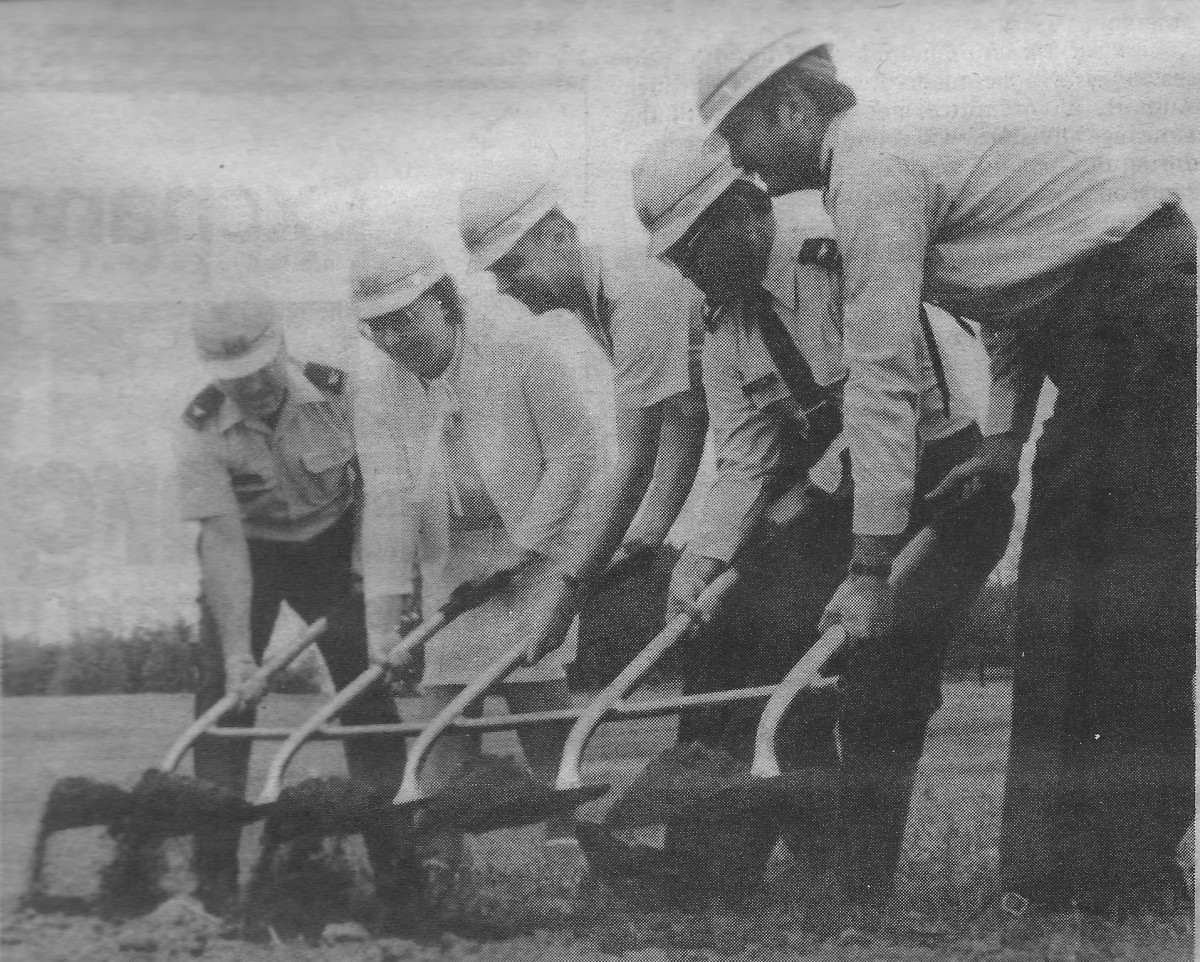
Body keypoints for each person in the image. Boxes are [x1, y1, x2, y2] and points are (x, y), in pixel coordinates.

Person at [695, 28, 1195, 919]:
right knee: (1066, 598)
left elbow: (883, 378)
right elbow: (1015, 291)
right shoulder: (886, 159)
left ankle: (1124, 880)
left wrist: (867, 567)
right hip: (1110, 317)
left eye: (741, 137)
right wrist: (1004, 442)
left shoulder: (872, 174)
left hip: (1148, 310)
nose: (739, 161)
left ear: (794, 107)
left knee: (1121, 600)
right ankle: (1075, 879)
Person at [620, 135, 1013, 921]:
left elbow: (900, 406)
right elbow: (744, 457)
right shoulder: (724, 324)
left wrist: (826, 527)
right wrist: (703, 556)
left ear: (743, 211)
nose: (687, 270)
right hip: (839, 500)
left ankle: (863, 891)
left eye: (693, 245)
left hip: (945, 481)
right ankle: (713, 871)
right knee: (735, 637)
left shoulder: (836, 254)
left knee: (882, 672)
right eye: (673, 257)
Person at [350, 235, 597, 848]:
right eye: (378, 328)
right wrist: (381, 622)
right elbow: (386, 504)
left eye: (403, 322)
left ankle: (576, 852)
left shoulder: (518, 346)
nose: (392, 342)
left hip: (537, 549)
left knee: (542, 711)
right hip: (455, 570)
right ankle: (443, 861)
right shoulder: (379, 389)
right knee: (443, 724)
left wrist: (527, 544)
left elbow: (577, 452)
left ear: (443, 300)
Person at [175, 301, 417, 922]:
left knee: (368, 694)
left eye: (260, 370)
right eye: (234, 377)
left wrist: (377, 589)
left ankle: (398, 874)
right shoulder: (201, 428)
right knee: (224, 704)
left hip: (337, 550)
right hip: (251, 557)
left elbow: (383, 493)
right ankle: (217, 889)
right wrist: (237, 655)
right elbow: (222, 543)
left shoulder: (341, 393)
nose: (251, 388)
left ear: (280, 345)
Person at [458, 172, 709, 664]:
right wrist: (647, 533)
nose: (506, 288)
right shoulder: (598, 302)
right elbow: (684, 414)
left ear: (560, 236)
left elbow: (635, 463)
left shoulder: (632, 295)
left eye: (512, 266)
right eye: (494, 275)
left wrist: (565, 596)